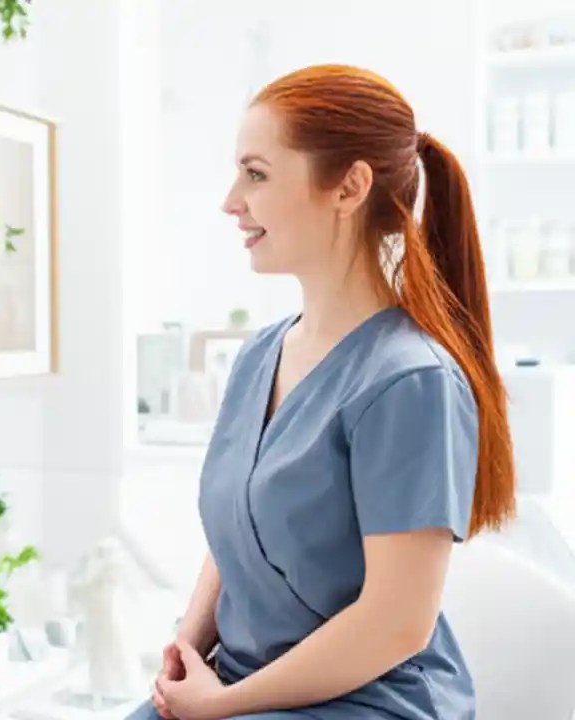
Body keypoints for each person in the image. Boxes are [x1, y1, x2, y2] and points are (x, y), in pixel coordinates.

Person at [145, 65, 515, 720]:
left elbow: (396, 627)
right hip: (241, 685)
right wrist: (188, 644)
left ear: (349, 187)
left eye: (256, 174)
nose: (232, 200)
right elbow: (238, 534)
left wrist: (223, 704)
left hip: (366, 703)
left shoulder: (411, 382)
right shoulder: (260, 355)